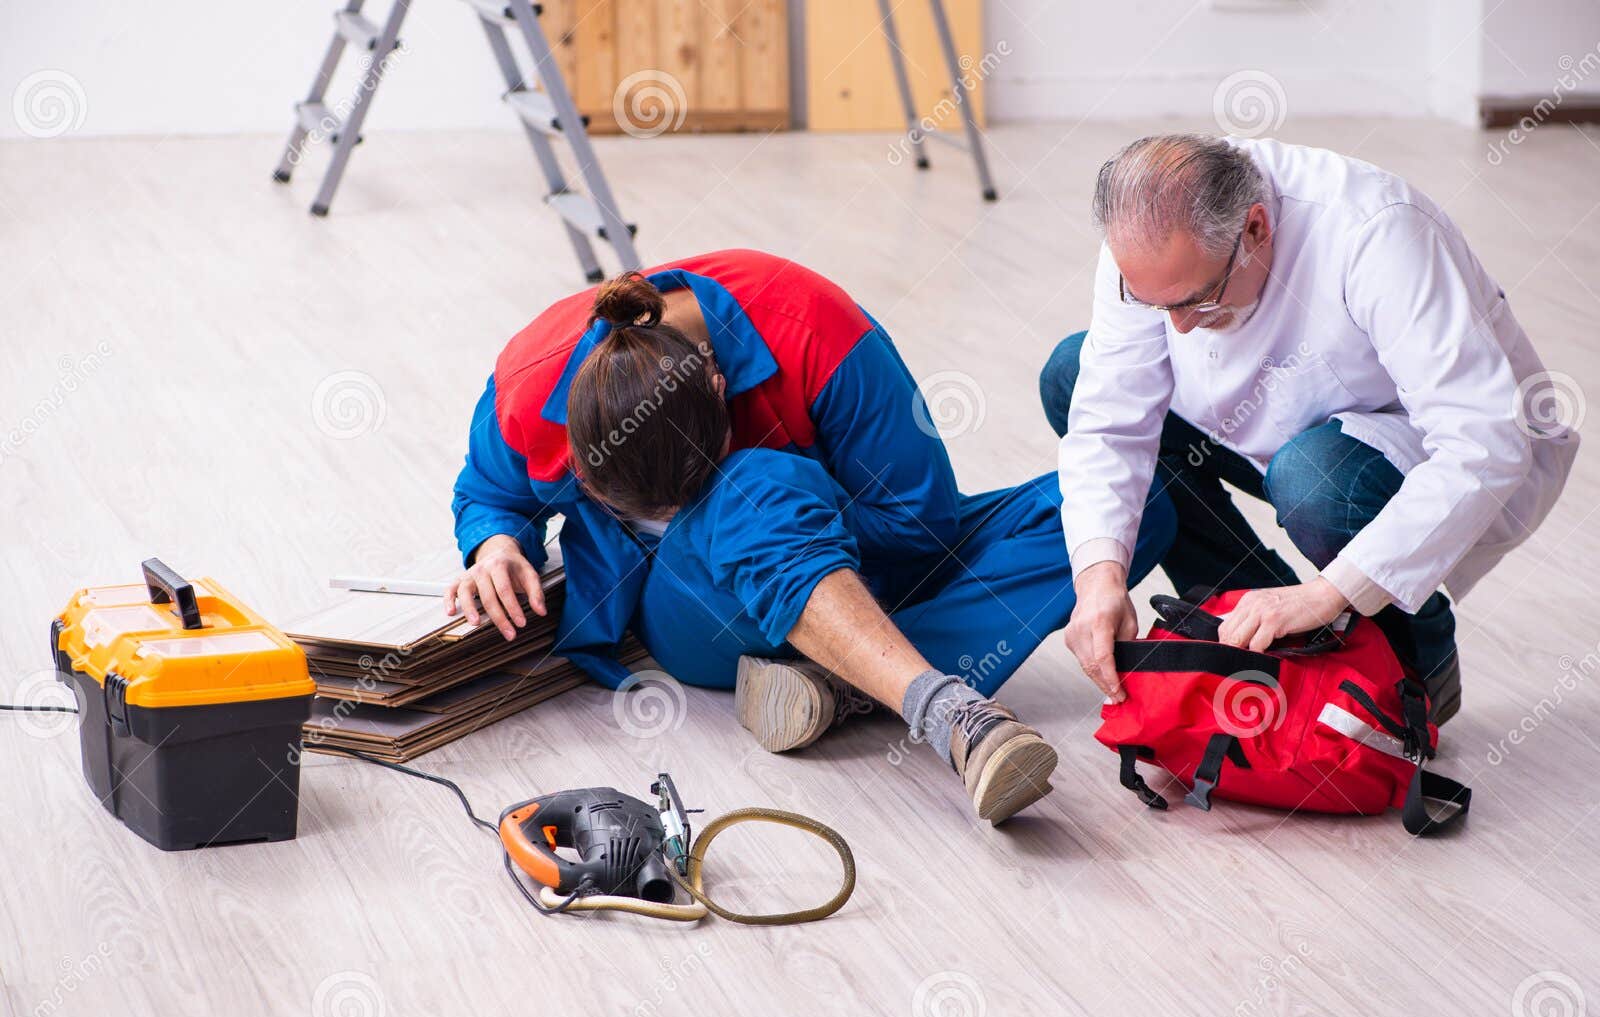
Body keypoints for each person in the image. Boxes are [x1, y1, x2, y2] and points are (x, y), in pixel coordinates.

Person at [449, 250, 1174, 824]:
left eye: (686, 500)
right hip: (693, 614)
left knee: (1131, 506)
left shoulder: (815, 330)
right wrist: (495, 546)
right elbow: (488, 494)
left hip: (860, 561)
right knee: (757, 486)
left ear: (720, 387)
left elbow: (922, 525)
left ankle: (838, 681)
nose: (670, 518)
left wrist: (804, 517)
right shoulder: (530, 384)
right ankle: (945, 711)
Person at [1042, 135, 1578, 723]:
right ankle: (1257, 632)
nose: (1181, 329)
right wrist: (1099, 578)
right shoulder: (1145, 233)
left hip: (1396, 446)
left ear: (1255, 229)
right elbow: (1110, 422)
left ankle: (1417, 664)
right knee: (1072, 373)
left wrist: (1328, 594)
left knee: (1312, 478)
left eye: (1200, 300)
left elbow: (1485, 443)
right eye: (1156, 307)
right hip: (1266, 428)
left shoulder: (1376, 231)